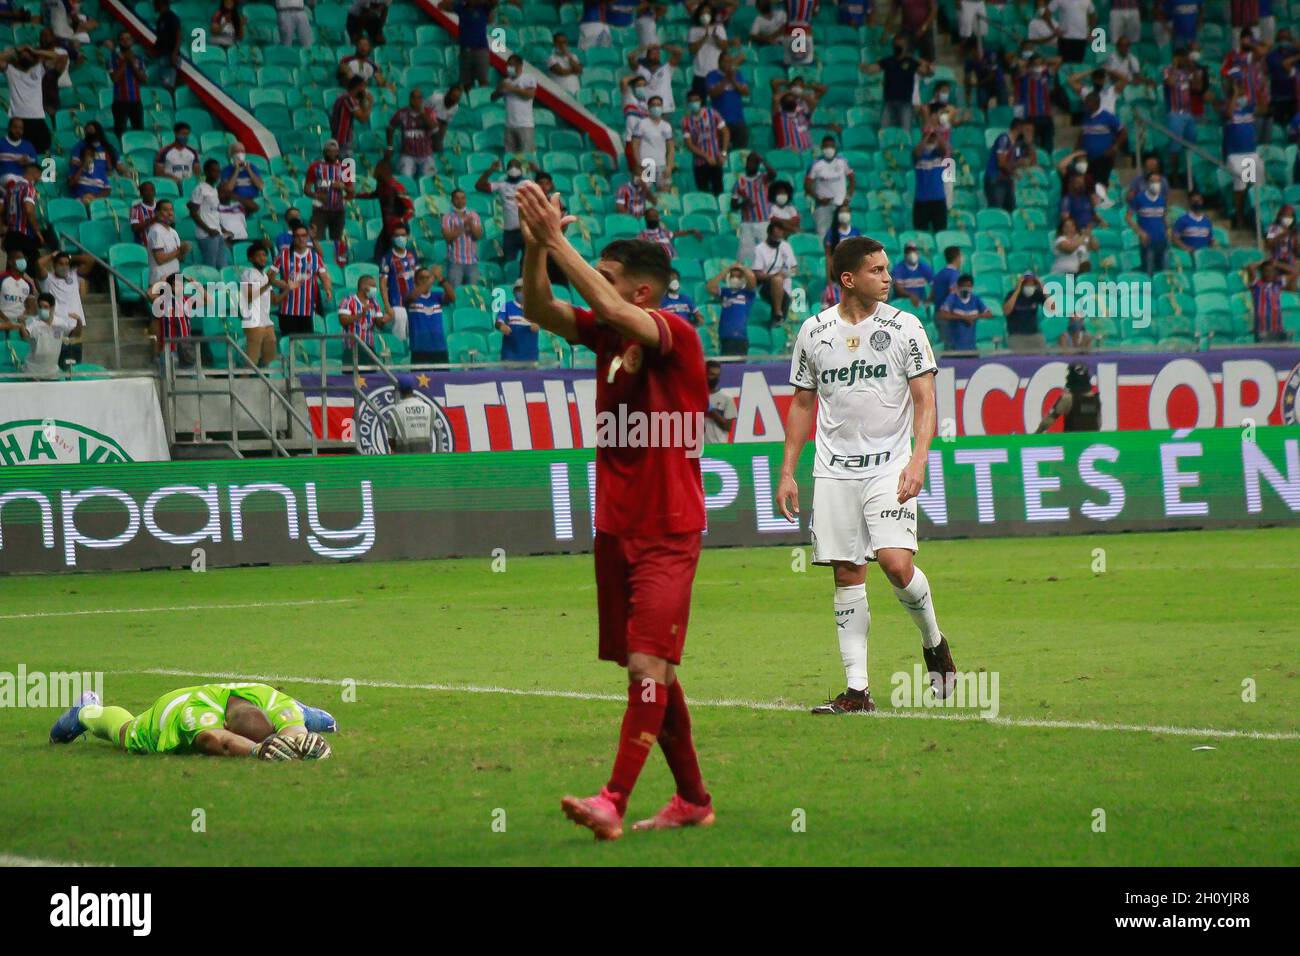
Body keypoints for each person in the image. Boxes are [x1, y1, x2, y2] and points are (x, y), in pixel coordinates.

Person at [516, 181, 713, 839]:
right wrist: (535, 252)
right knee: (652, 665)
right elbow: (539, 308)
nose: (594, 287)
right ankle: (692, 799)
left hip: (668, 530)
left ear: (642, 294)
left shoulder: (674, 335)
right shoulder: (608, 334)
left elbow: (599, 301)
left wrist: (556, 239)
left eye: (606, 278)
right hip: (616, 530)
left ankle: (613, 801)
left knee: (646, 665)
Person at [777, 235, 956, 716]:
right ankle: (857, 692)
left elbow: (926, 401)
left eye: (887, 268)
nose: (888, 276)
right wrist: (788, 470)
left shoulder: (906, 327)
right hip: (834, 469)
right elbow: (800, 403)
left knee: (896, 564)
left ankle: (934, 642)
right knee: (846, 572)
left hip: (890, 466)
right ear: (848, 279)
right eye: (877, 270)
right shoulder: (814, 333)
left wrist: (918, 459)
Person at [49, 684, 334, 758]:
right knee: (123, 732)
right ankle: (85, 710)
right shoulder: (195, 716)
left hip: (233, 695)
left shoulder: (269, 699)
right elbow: (216, 742)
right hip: (172, 707)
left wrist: (300, 739)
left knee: (302, 716)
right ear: (224, 724)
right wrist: (255, 750)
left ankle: (312, 716)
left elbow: (290, 727)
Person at [268, 223, 332, 337]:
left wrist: (328, 290)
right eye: (297, 236)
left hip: (307, 309)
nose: (301, 238)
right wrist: (283, 284)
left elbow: (324, 276)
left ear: (307, 236)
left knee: (306, 343)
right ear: (293, 237)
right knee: (289, 344)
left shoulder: (315, 257)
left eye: (304, 235)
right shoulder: (283, 255)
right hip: (287, 309)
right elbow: (269, 277)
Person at [0, 43, 66, 152]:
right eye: (22, 55)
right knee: (18, 155)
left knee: (39, 154)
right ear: (18, 57)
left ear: (33, 58)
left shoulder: (39, 69)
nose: (25, 56)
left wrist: (35, 51)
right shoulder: (10, 70)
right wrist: (16, 50)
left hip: (37, 120)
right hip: (18, 121)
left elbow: (61, 57)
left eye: (28, 55)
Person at [0, 291, 76, 378]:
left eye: (45, 307)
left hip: (52, 373)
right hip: (32, 372)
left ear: (52, 308)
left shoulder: (60, 323)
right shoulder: (32, 322)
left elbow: (74, 334)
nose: (42, 309)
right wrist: (21, 325)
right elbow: (24, 335)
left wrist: (79, 323)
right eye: (40, 307)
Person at [41, 250, 86, 369]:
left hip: (75, 328)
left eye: (67, 263)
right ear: (54, 265)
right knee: (55, 367)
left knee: (74, 367)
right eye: (61, 263)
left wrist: (70, 256)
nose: (64, 266)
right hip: (55, 328)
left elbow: (90, 260)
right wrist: (51, 255)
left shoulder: (74, 275)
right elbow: (38, 265)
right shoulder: (48, 279)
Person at [681, 88, 728, 196]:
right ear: (688, 103)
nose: (694, 103)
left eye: (696, 100)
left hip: (716, 160)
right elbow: (689, 144)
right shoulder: (686, 121)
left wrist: (724, 152)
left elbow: (725, 132)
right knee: (704, 194)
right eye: (691, 101)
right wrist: (706, 156)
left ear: (701, 101)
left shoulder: (713, 113)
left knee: (718, 192)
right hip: (699, 164)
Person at [476, 159, 525, 263]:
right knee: (509, 263)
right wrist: (490, 170)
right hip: (509, 233)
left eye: (516, 166)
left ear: (521, 169)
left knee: (529, 262)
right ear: (506, 170)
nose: (513, 169)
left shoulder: (528, 184)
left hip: (525, 231)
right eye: (511, 167)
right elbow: (479, 186)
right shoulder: (501, 185)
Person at [305, 140, 354, 243]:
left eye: (335, 151)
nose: (332, 154)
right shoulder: (315, 167)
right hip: (320, 210)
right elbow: (307, 189)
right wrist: (317, 195)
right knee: (317, 239)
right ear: (324, 152)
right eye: (329, 151)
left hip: (338, 211)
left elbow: (352, 191)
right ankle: (319, 258)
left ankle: (336, 259)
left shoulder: (346, 168)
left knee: (337, 240)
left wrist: (343, 187)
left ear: (338, 152)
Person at [238, 241, 277, 367]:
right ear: (251, 258)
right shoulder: (247, 273)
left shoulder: (265, 275)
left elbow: (274, 301)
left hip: (267, 322)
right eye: (258, 255)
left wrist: (289, 288)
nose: (262, 258)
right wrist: (268, 284)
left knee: (270, 362)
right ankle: (242, 385)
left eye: (264, 255)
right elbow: (249, 297)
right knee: (251, 361)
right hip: (253, 322)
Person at [338, 273, 393, 362]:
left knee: (371, 374)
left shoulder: (374, 303)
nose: (375, 289)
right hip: (352, 347)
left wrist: (385, 319)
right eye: (373, 286)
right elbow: (342, 320)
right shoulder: (348, 301)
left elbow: (379, 324)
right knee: (352, 375)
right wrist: (360, 315)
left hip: (369, 346)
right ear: (363, 287)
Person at [806, 137, 853, 240]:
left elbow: (852, 180)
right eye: (826, 146)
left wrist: (848, 197)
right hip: (823, 206)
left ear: (835, 147)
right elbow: (807, 185)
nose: (829, 149)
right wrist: (818, 198)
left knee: (843, 236)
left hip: (841, 206)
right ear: (822, 147)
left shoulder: (843, 162)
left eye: (831, 146)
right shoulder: (815, 164)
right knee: (823, 235)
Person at [750, 220, 796, 325]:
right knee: (777, 280)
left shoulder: (786, 246)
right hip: (766, 285)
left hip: (786, 286)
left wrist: (786, 273)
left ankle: (777, 320)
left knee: (781, 281)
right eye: (776, 235)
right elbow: (757, 273)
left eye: (780, 234)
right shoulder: (759, 249)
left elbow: (794, 268)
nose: (778, 238)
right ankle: (777, 313)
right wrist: (774, 276)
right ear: (769, 234)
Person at [705, 261, 756, 356]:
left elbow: (752, 279)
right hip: (725, 336)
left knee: (738, 369)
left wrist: (742, 268)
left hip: (740, 338)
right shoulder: (725, 292)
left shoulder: (748, 293)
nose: (735, 279)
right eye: (732, 276)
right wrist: (727, 270)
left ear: (743, 279)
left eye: (738, 277)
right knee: (726, 368)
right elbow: (710, 287)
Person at [405, 266, 454, 364]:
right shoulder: (411, 295)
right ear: (415, 281)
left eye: (427, 277)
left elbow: (452, 297)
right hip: (419, 348)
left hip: (439, 347)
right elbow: (412, 296)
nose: (425, 280)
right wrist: (432, 278)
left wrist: (441, 278)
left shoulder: (437, 296)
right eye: (421, 278)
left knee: (443, 378)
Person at [730, 151, 771, 264]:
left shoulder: (763, 178)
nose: (751, 165)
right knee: (745, 254)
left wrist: (763, 160)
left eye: (755, 162)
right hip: (747, 223)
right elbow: (733, 206)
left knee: (767, 252)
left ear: (758, 165)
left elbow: (773, 174)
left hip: (763, 221)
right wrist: (744, 204)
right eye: (750, 162)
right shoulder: (739, 182)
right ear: (746, 163)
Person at [1035, 361, 1101, 431]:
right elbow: (1099, 422)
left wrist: (1036, 433)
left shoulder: (1067, 399)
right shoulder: (1096, 398)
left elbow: (1048, 420)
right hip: (1092, 439)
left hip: (1071, 439)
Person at [493, 54, 538, 155]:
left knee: (526, 158)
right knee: (510, 158)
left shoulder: (528, 78)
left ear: (520, 66)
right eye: (508, 65)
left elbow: (529, 95)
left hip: (525, 125)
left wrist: (512, 88)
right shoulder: (506, 81)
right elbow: (493, 98)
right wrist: (499, 89)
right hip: (509, 125)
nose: (509, 68)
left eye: (512, 65)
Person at [936, 273, 993, 351]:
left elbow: (989, 314)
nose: (966, 288)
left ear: (972, 287)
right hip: (954, 347)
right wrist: (963, 318)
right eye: (964, 286)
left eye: (969, 286)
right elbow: (941, 315)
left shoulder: (976, 299)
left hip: (971, 347)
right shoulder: (952, 298)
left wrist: (975, 316)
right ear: (958, 287)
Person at [388, 89, 438, 178]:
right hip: (407, 155)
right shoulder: (402, 113)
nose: (416, 101)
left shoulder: (429, 112)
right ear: (410, 99)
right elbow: (390, 127)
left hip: (426, 155)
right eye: (413, 98)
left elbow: (434, 128)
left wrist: (422, 113)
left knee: (429, 181)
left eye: (419, 98)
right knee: (405, 179)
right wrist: (390, 146)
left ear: (422, 100)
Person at [189, 159, 229, 269]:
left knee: (223, 267)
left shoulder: (214, 189)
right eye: (213, 171)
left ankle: (222, 287)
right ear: (206, 171)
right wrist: (208, 230)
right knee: (210, 268)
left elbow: (213, 212)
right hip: (207, 235)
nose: (216, 174)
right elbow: (193, 213)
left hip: (217, 233)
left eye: (218, 171)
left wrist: (222, 229)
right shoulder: (200, 188)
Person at [3, 161, 42, 273]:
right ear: (35, 173)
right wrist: (37, 231)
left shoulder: (10, 190)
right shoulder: (29, 188)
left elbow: (5, 213)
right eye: (39, 175)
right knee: (32, 268)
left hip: (11, 234)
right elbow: (29, 210)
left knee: (12, 268)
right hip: (23, 235)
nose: (39, 178)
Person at [1127, 169, 1169, 274]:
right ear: (1147, 183)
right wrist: (1140, 232)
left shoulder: (1162, 199)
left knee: (1164, 273)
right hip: (1147, 242)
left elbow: (1164, 217)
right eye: (1153, 181)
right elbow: (1128, 217)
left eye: (1158, 181)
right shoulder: (1139, 198)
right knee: (1148, 272)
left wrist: (1168, 229)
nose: (1156, 184)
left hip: (1162, 241)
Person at [107, 29, 147, 140]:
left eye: (128, 39)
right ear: (119, 42)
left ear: (132, 41)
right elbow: (114, 79)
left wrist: (133, 65)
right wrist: (125, 62)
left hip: (136, 101)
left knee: (139, 131)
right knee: (120, 132)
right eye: (122, 39)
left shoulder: (139, 59)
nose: (125, 42)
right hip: (120, 102)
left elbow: (144, 79)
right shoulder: (112, 59)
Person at [388, 374, 436, 452]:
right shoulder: (428, 408)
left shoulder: (396, 411)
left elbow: (391, 439)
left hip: (405, 459)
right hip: (426, 457)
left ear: (399, 390)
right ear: (412, 389)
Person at [496, 278, 539, 363]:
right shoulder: (506, 306)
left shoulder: (535, 308)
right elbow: (498, 322)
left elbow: (541, 323)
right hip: (510, 355)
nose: (522, 293)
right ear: (514, 292)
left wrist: (537, 325)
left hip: (530, 356)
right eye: (519, 290)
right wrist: (502, 326)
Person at [1003, 272, 1048, 353]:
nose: (1030, 287)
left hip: (1035, 334)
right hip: (1017, 336)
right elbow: (1006, 311)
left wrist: (1041, 285)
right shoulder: (1011, 294)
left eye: (1032, 284)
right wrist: (1017, 290)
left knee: (1043, 358)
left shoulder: (1036, 295)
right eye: (1027, 284)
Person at [146, 199, 187, 286]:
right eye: (165, 210)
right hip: (160, 280)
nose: (170, 213)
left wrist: (183, 252)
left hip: (175, 281)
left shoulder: (174, 232)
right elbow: (160, 260)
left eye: (171, 210)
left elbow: (180, 259)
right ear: (157, 213)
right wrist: (179, 251)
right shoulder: (155, 231)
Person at [1246, 260, 1288, 341]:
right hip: (1261, 329)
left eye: (1272, 271)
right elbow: (1250, 267)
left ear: (1275, 273)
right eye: (1266, 271)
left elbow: (1294, 272)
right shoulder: (1256, 284)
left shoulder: (1278, 284)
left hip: (1277, 328)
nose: (1269, 273)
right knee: (1262, 352)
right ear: (1262, 272)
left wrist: (1277, 264)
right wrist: (1263, 262)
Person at [220, 142, 262, 214]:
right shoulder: (226, 170)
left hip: (254, 201)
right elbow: (228, 189)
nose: (240, 154)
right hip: (236, 203)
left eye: (242, 151)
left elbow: (261, 186)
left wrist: (249, 170)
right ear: (231, 155)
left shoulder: (252, 167)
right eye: (237, 151)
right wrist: (237, 170)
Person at [702, 359, 736, 443]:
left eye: (717, 375)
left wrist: (710, 410)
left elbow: (727, 426)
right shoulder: (694, 396)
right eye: (712, 375)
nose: (715, 378)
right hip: (698, 448)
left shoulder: (727, 398)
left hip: (718, 446)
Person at [891, 242, 933, 310]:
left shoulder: (925, 267)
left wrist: (928, 301)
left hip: (919, 303)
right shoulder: (898, 269)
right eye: (909, 252)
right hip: (901, 305)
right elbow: (898, 289)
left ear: (918, 253)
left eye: (914, 251)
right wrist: (910, 295)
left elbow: (934, 286)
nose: (912, 254)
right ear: (905, 254)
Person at [151, 0, 181, 90]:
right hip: (163, 56)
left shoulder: (171, 17)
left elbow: (178, 35)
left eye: (156, 2)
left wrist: (175, 53)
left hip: (170, 56)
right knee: (163, 85)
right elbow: (160, 39)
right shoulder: (160, 19)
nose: (154, 4)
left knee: (168, 86)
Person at [547, 32, 582, 96]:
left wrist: (568, 56)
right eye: (559, 43)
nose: (562, 45)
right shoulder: (551, 58)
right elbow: (561, 72)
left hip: (576, 92)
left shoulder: (573, 56)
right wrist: (574, 70)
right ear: (554, 44)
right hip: (560, 94)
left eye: (564, 42)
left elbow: (580, 70)